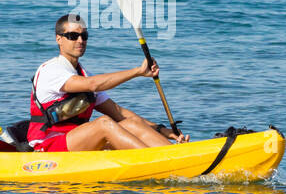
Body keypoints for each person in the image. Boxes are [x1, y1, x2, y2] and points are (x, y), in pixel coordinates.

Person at [27, 13, 188, 152]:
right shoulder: (51, 70)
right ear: (59, 39)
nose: (80, 40)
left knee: (131, 123)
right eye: (73, 36)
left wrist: (162, 130)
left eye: (84, 36)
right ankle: (160, 161)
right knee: (104, 123)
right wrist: (138, 72)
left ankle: (176, 153)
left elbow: (119, 112)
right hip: (48, 145)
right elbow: (92, 85)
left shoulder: (83, 73)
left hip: (78, 141)